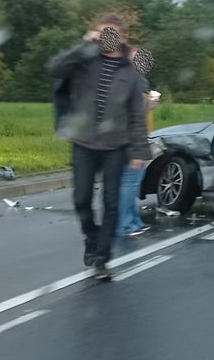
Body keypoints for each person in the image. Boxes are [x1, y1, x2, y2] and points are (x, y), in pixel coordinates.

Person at [48, 15, 149, 280]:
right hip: (84, 141)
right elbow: (55, 68)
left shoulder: (131, 68)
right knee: (81, 199)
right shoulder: (84, 60)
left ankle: (102, 259)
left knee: (111, 203)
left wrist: (139, 150)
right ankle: (91, 240)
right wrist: (83, 45)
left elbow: (137, 113)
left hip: (116, 144)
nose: (107, 39)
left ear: (123, 38)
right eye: (102, 33)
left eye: (112, 34)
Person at [117, 47, 158, 240]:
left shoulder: (138, 80)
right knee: (129, 183)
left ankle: (133, 220)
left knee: (134, 183)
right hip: (132, 139)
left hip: (140, 137)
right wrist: (147, 105)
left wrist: (148, 105)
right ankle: (125, 224)